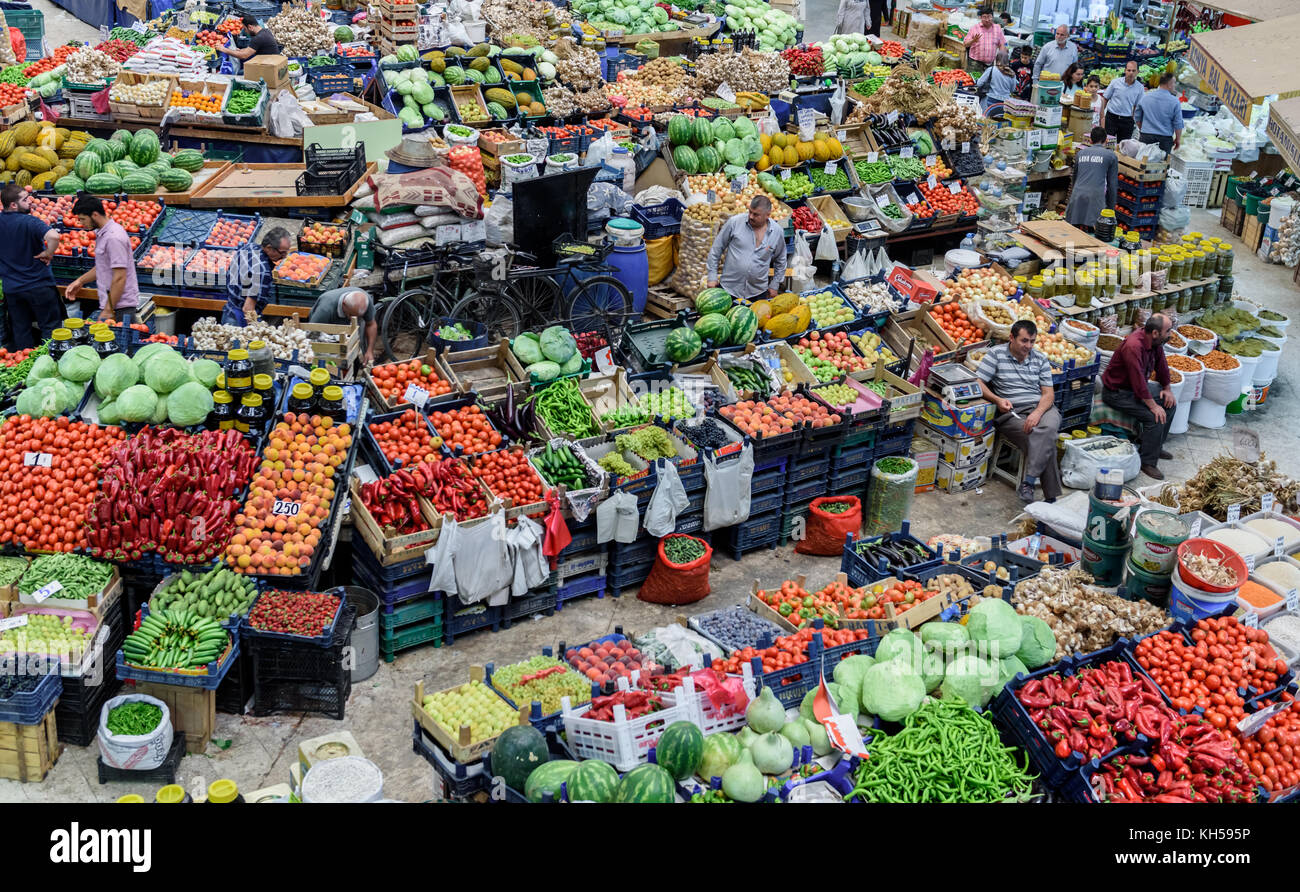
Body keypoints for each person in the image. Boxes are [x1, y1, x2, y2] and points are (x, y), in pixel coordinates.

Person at [976, 319, 1063, 503]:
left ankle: (1029, 482)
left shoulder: (1040, 359)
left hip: (1042, 408)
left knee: (1047, 429)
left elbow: (1048, 394)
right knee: (1044, 438)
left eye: (1032, 341)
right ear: (1011, 338)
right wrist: (997, 399)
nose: (1028, 346)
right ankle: (1051, 499)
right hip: (1012, 412)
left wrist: (1038, 413)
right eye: (1024, 341)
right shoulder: (996, 354)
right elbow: (978, 382)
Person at [1101, 313, 1176, 479]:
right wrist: (1153, 406)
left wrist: (1167, 388)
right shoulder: (1134, 346)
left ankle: (1155, 446)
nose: (1171, 334)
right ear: (1155, 333)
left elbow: (1162, 365)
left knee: (1170, 403)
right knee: (1153, 417)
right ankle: (1147, 462)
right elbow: (1138, 383)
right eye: (1168, 331)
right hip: (1117, 393)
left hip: (1134, 388)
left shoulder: (1155, 342)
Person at [0, 184, 61, 349]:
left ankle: (25, 362)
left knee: (21, 329)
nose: (30, 202)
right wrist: (49, 252)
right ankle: (50, 361)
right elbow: (54, 236)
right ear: (13, 205)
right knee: (50, 327)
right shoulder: (30, 221)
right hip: (39, 285)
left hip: (12, 289)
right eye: (25, 200)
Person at [64, 194, 139, 324]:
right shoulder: (103, 233)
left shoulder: (113, 238)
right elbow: (103, 266)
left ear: (94, 215)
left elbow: (120, 277)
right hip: (112, 304)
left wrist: (108, 310)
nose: (81, 224)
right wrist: (80, 281)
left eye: (83, 219)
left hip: (120, 308)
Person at [706, 195, 788, 302]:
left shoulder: (777, 232)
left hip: (758, 292)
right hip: (729, 290)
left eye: (756, 214)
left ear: (767, 215)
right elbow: (716, 249)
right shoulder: (734, 223)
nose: (751, 216)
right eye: (750, 212)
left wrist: (775, 284)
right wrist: (712, 276)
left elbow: (781, 259)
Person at [222, 226, 291, 327]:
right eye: (282, 252)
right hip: (239, 321)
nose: (285, 256)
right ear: (269, 248)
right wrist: (256, 331)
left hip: (228, 311)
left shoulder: (248, 247)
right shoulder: (262, 272)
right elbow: (248, 309)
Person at [309, 288, 379, 367]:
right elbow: (312, 333)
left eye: (358, 316)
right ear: (344, 304)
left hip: (347, 332)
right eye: (351, 315)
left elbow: (371, 325)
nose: (353, 318)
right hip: (326, 330)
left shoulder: (365, 301)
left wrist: (369, 350)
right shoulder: (325, 309)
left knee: (352, 352)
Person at [1065, 127, 1118, 230]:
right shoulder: (1111, 156)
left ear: (1090, 140)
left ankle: (1069, 246)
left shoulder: (1080, 154)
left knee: (1070, 234)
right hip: (1096, 199)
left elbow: (1074, 178)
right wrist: (1111, 210)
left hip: (1077, 196)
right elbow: (1112, 185)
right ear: (1106, 140)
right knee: (1092, 237)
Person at [1134, 71, 1183, 154]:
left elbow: (1137, 117)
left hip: (1146, 137)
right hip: (1164, 140)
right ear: (1169, 84)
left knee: (1142, 162)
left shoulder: (1146, 97)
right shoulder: (1175, 101)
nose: (1175, 85)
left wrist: (1144, 129)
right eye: (1174, 83)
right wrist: (1178, 139)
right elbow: (1178, 123)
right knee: (1161, 164)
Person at [1098, 60, 1145, 141]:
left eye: (1134, 71)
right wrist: (1101, 116)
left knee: (1123, 146)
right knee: (1106, 142)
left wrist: (1134, 120)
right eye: (1129, 70)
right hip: (1111, 118)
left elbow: (1137, 106)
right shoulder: (1115, 82)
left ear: (1138, 72)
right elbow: (1105, 99)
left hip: (1127, 121)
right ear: (1125, 70)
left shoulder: (1140, 87)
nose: (1131, 73)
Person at [963, 7, 1006, 77]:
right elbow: (965, 44)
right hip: (975, 63)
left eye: (989, 17)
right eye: (984, 17)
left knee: (987, 84)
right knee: (973, 83)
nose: (987, 19)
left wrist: (1001, 58)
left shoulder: (997, 28)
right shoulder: (974, 28)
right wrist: (973, 40)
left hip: (990, 64)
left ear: (992, 17)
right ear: (980, 17)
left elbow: (1002, 43)